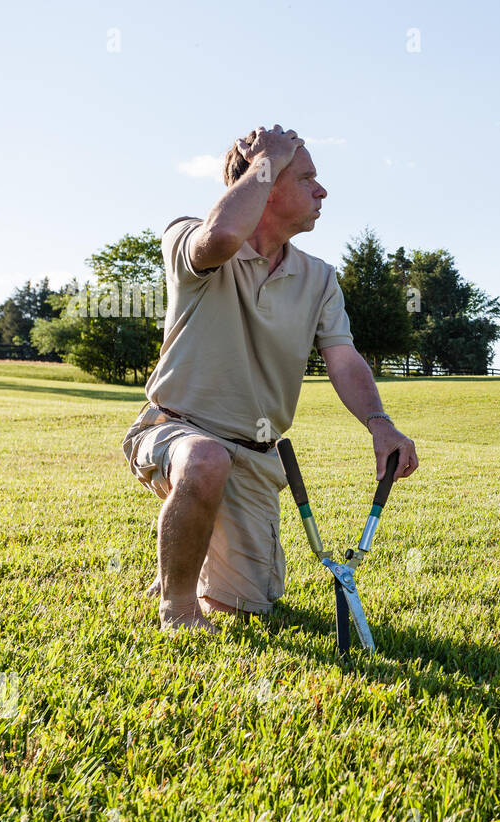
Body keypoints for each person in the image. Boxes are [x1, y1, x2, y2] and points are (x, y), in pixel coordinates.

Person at [121, 124, 418, 632]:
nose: (321, 191)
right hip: (175, 427)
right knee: (204, 458)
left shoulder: (319, 277)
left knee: (244, 607)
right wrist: (267, 157)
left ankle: (194, 554)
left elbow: (344, 359)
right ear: (269, 183)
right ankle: (177, 605)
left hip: (257, 453)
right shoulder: (189, 235)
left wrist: (379, 422)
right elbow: (221, 238)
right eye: (307, 179)